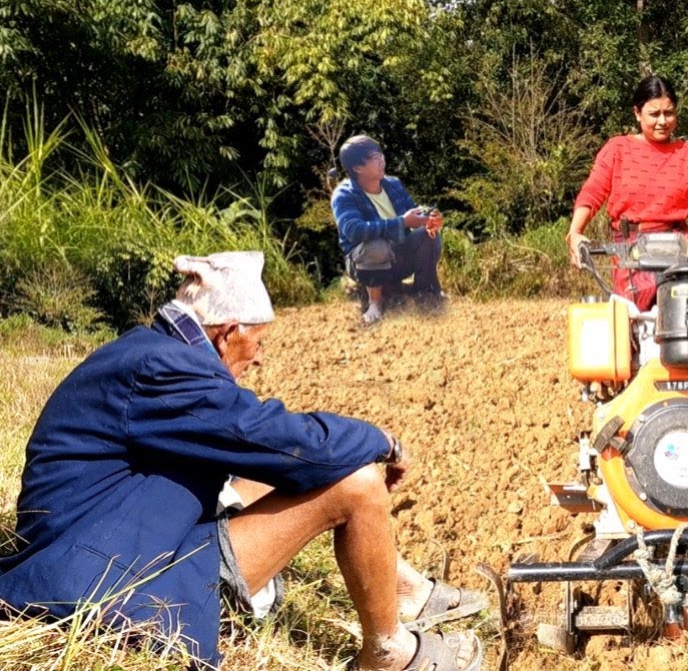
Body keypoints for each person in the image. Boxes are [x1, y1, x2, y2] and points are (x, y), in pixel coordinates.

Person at [0, 252, 485, 671]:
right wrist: (382, 440)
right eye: (258, 342)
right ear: (227, 332)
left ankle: (408, 591)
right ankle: (388, 654)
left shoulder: (147, 352)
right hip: (108, 581)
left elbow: (271, 455)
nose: (258, 359)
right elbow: (293, 443)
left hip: (123, 534)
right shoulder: (165, 369)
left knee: (283, 467)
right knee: (356, 483)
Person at [565, 76, 688, 310]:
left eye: (669, 113)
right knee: (628, 328)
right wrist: (575, 232)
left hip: (680, 255)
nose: (662, 121)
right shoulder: (617, 150)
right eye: (654, 114)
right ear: (637, 113)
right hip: (630, 256)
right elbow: (593, 192)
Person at [332, 135, 446, 325]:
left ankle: (426, 291)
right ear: (358, 168)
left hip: (398, 255)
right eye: (374, 158)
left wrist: (429, 216)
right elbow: (354, 230)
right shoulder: (344, 195)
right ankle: (375, 302)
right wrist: (401, 223)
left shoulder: (392, 184)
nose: (381, 160)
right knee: (377, 245)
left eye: (380, 155)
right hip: (365, 261)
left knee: (427, 234)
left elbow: (412, 212)